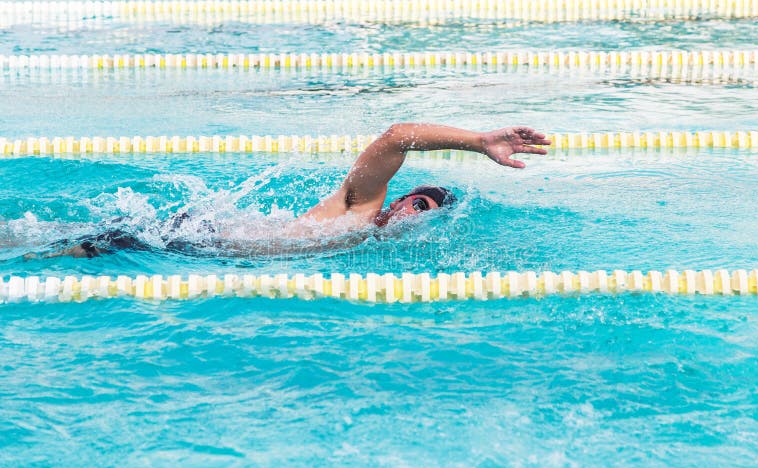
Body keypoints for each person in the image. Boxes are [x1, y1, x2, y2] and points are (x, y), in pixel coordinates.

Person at [55, 123, 551, 257]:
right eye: (418, 204)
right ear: (399, 198)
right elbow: (398, 136)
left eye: (426, 216)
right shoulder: (358, 209)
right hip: (173, 240)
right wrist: (480, 141)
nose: (416, 218)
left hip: (181, 249)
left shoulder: (365, 242)